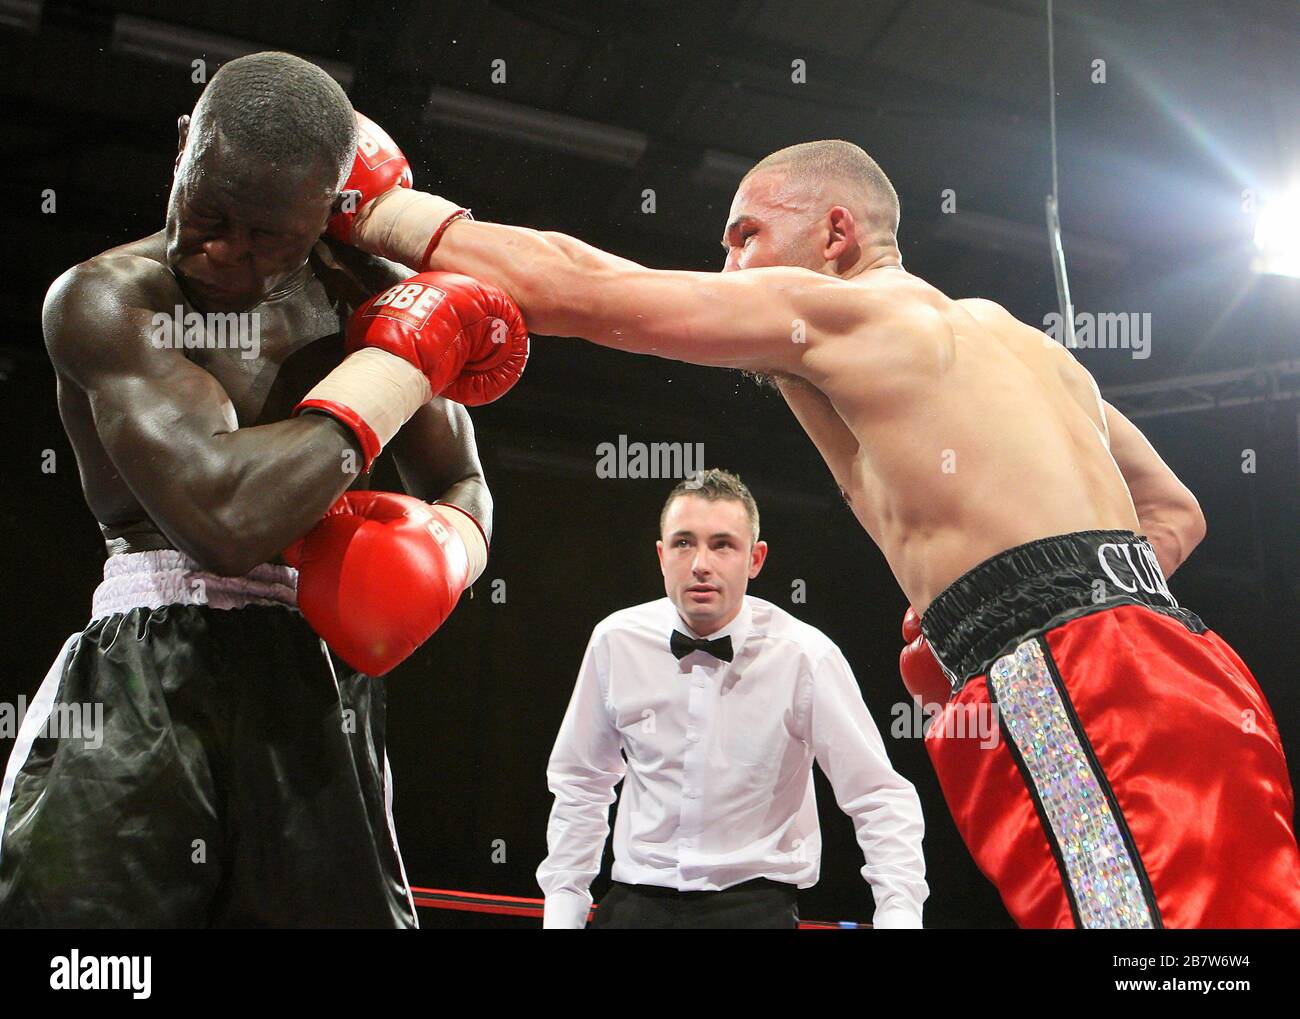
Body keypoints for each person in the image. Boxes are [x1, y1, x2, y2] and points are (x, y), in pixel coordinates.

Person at [335, 136, 1300, 928]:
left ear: (836, 232)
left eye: (745, 235)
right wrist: (992, 604)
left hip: (1086, 682)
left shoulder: (849, 314)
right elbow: (1176, 514)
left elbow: (584, 289)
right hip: (1186, 669)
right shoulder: (1030, 345)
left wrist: (378, 211)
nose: (729, 270)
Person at [0, 52, 526, 927]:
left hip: (313, 676)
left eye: (265, 234)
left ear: (324, 213)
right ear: (183, 148)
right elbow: (224, 518)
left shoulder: (361, 298)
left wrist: (448, 555)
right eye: (207, 209)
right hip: (147, 671)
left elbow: (460, 479)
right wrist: (391, 371)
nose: (220, 248)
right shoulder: (106, 299)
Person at [536, 469, 926, 929]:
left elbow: (878, 795)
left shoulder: (804, 655)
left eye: (723, 544)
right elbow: (581, 782)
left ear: (755, 559)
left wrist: (899, 917)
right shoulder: (616, 640)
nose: (701, 563)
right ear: (661, 556)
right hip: (634, 905)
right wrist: (562, 912)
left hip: (754, 907)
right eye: (684, 543)